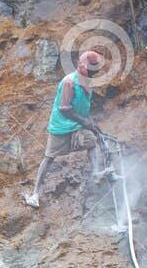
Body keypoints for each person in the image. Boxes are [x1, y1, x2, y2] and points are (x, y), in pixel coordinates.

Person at [25, 50, 110, 208]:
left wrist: (91, 123)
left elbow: (82, 106)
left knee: (91, 142)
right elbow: (64, 108)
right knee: (49, 157)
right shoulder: (69, 82)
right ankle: (35, 194)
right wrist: (85, 122)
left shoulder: (87, 82)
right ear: (81, 65)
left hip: (77, 125)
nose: (92, 74)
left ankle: (96, 174)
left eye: (95, 72)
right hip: (61, 126)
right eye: (91, 70)